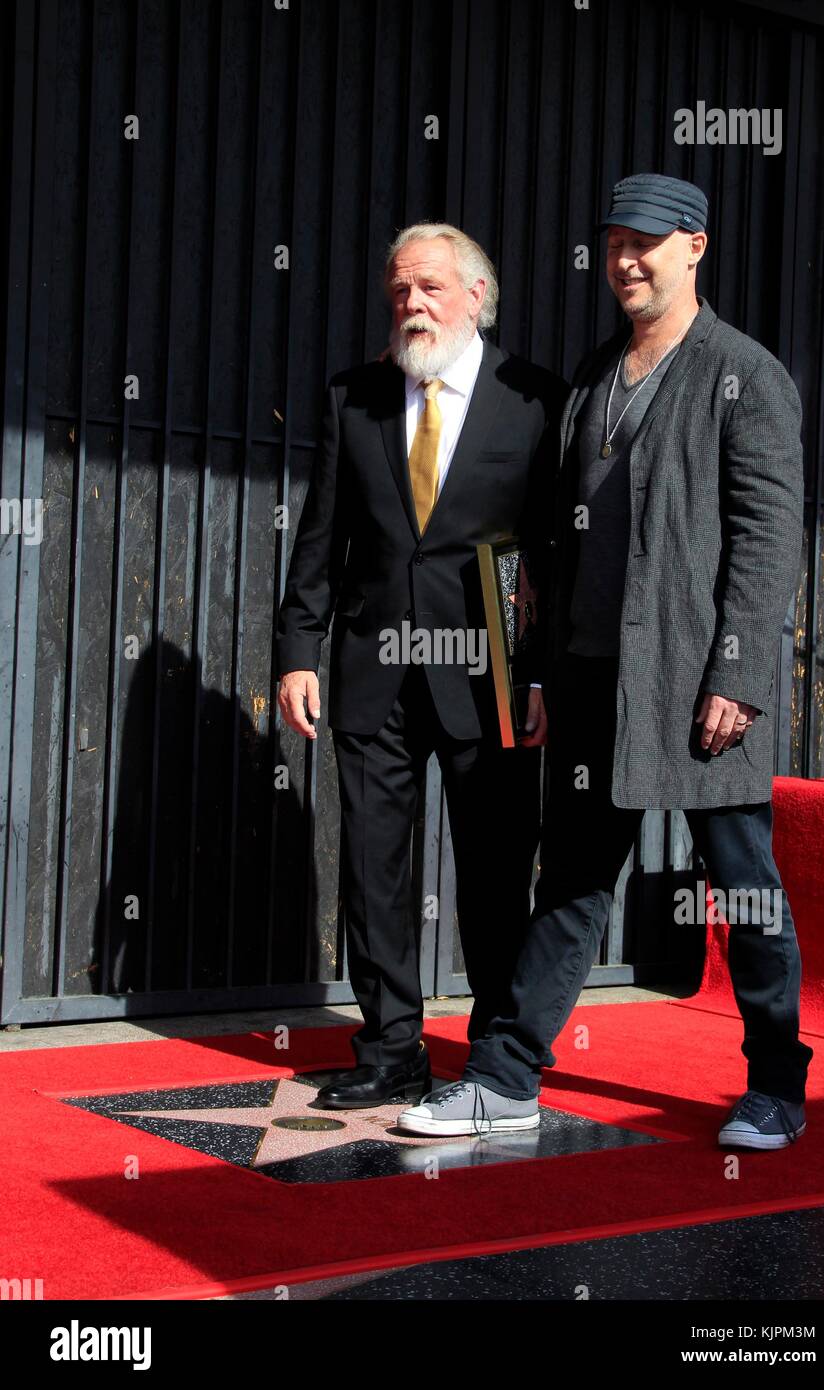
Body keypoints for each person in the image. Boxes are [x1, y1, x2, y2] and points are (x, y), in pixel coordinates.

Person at [398, 174, 814, 1150]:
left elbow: (763, 541)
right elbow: (549, 548)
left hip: (700, 686)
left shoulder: (743, 375)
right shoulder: (591, 377)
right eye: (616, 241)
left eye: (649, 242)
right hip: (591, 683)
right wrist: (536, 669)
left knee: (741, 886)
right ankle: (504, 1078)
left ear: (694, 248)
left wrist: (739, 674)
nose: (627, 260)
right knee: (570, 884)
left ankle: (776, 1087)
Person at [276, 222, 567, 1108]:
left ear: (477, 296)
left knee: (494, 873)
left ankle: (493, 1054)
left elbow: (552, 554)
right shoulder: (352, 396)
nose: (412, 305)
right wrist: (298, 648)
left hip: (493, 681)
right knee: (373, 871)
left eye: (431, 288)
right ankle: (390, 1049)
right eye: (400, 289)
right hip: (372, 673)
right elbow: (322, 535)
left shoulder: (535, 401)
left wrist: (543, 673)